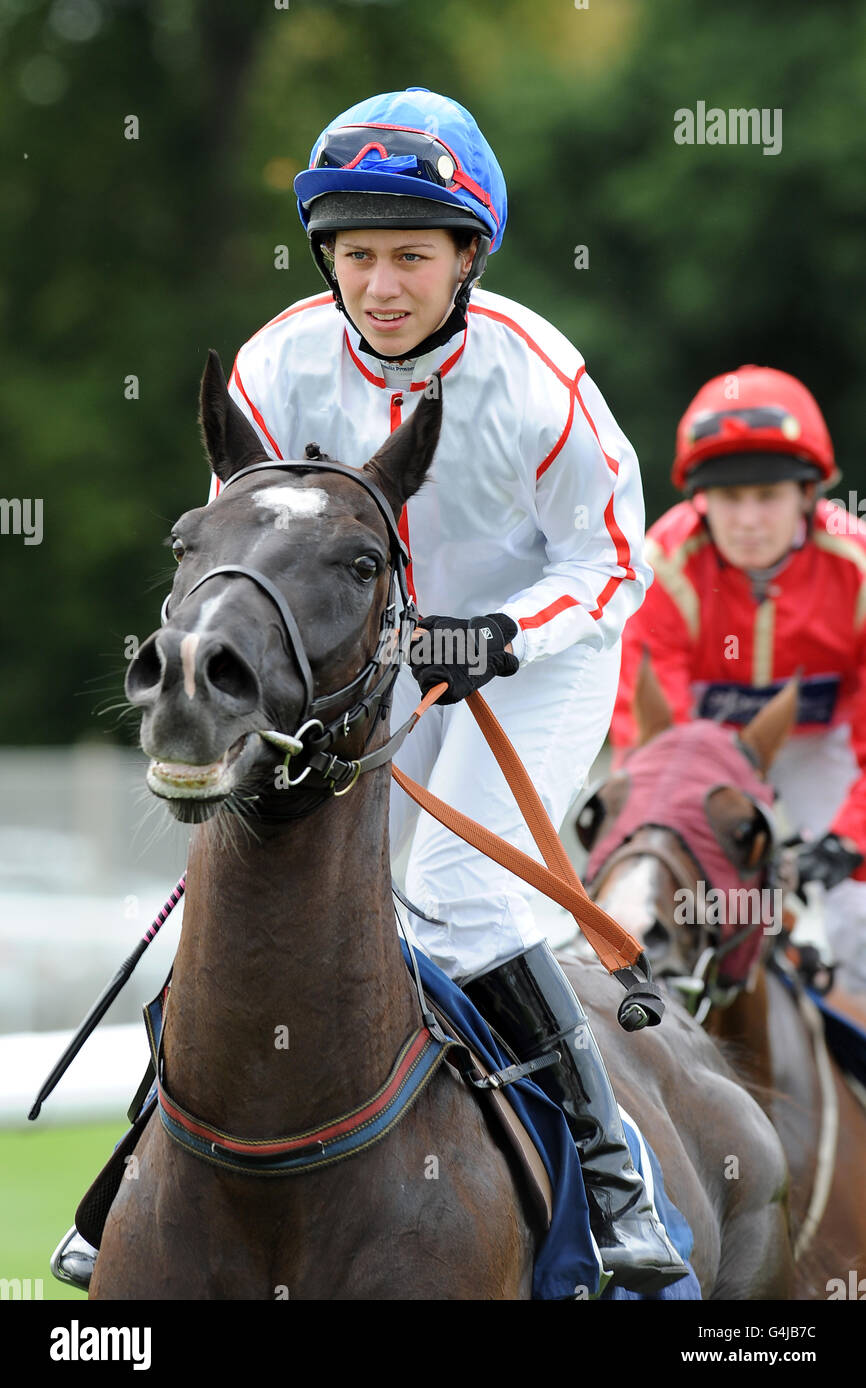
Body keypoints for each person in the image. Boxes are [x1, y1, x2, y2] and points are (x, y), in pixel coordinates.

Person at [53, 86, 685, 1294]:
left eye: (409, 255)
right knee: (257, 898)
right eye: (355, 255)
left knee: (456, 899)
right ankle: (138, 1159)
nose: (379, 285)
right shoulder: (276, 362)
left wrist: (498, 634)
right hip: (366, 666)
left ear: (466, 257)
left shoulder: (541, 381)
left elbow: (612, 564)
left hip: (534, 661)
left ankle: (613, 1185)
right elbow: (248, 547)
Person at [610, 365, 866, 992]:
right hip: (697, 746)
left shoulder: (857, 568)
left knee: (857, 915)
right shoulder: (662, 566)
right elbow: (649, 733)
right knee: (655, 895)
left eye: (768, 496)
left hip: (820, 747)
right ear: (701, 499)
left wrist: (848, 840)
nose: (748, 520)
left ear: (809, 495)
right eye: (729, 498)